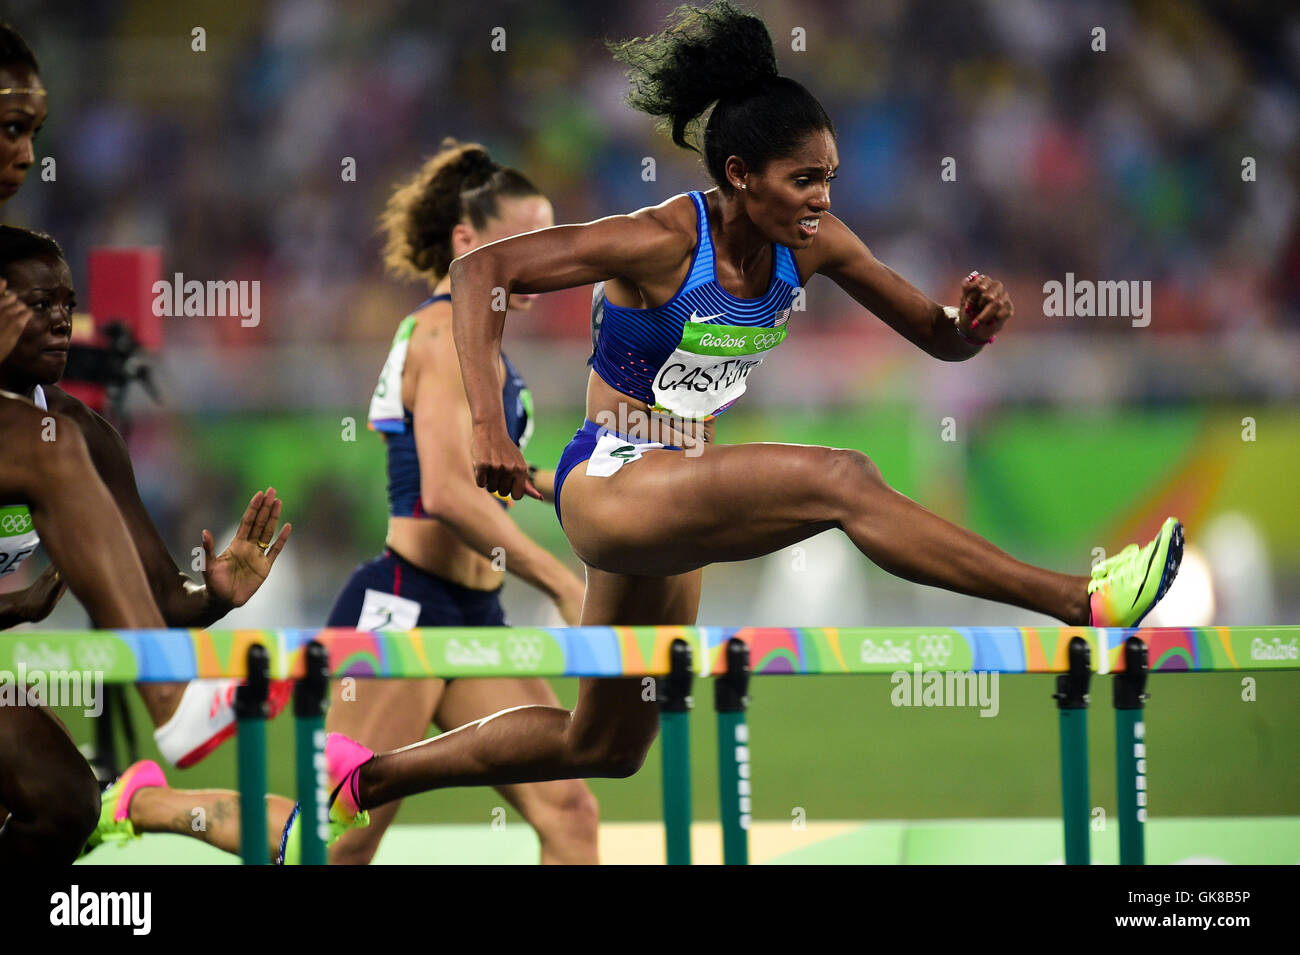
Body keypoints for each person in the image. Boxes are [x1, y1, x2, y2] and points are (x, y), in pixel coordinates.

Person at [317, 1, 1184, 823]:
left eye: (831, 179)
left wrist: (970, 328)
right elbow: (481, 274)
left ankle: (373, 776)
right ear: (739, 175)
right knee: (842, 479)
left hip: (678, 490)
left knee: (605, 743)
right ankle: (1079, 599)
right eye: (804, 180)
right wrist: (487, 425)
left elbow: (937, 337)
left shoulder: (817, 245)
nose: (823, 200)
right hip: (611, 480)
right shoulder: (662, 239)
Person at [324, 139, 597, 864]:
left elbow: (485, 471)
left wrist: (572, 482)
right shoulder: (445, 333)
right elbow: (445, 491)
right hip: (408, 609)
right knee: (343, 838)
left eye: (550, 241)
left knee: (568, 808)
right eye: (522, 242)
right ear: (467, 242)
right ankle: (155, 806)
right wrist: (565, 580)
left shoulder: (480, 338)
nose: (541, 259)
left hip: (474, 614)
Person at [0, 223, 296, 768]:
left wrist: (213, 596)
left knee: (66, 805)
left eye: (69, 303)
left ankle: (173, 710)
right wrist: (14, 605)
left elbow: (158, 595)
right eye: (40, 304)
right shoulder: (56, 445)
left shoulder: (82, 433)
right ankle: (170, 706)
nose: (63, 320)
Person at [0, 21, 168, 863]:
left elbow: (172, 592)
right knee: (46, 441)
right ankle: (175, 698)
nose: (27, 154)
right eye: (8, 128)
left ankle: (169, 682)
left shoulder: (69, 419)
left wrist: (220, 585)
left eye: (34, 131)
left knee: (66, 806)